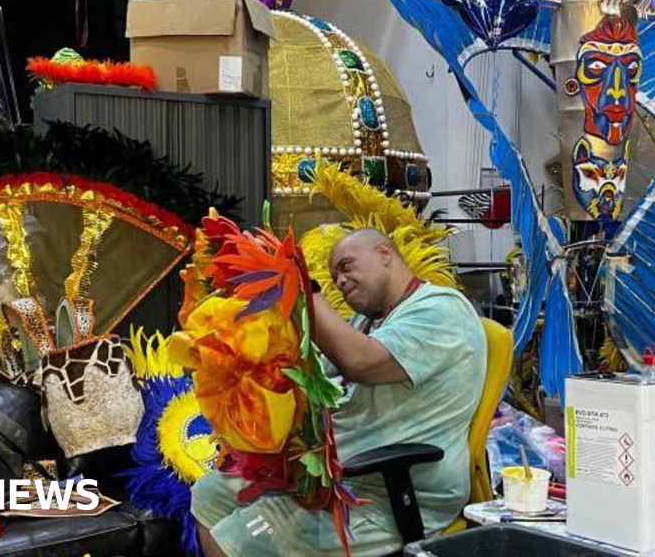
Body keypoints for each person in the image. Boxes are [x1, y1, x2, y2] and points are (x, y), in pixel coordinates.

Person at [191, 228, 487, 556]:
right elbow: (311, 375)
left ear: (385, 254)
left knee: (238, 536)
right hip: (330, 477)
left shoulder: (442, 308)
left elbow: (359, 362)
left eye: (347, 266)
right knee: (210, 493)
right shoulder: (366, 322)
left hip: (386, 492)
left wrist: (300, 284)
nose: (341, 281)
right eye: (333, 278)